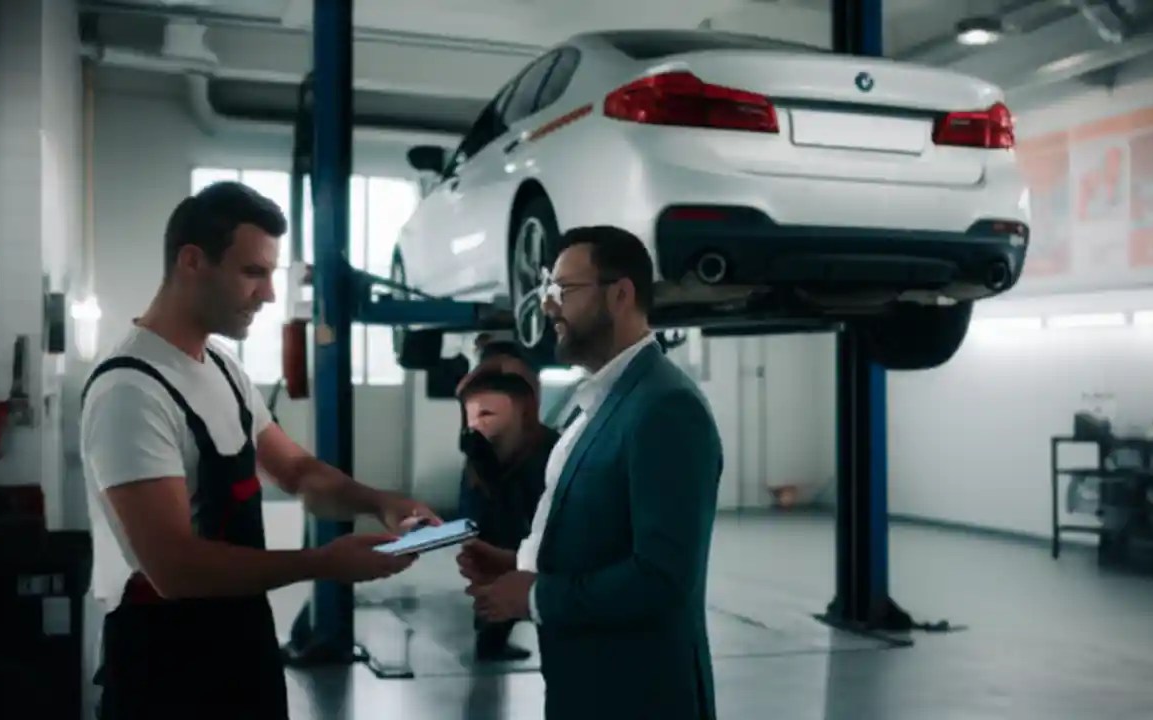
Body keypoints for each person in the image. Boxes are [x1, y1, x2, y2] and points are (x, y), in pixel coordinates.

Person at [80, 181, 440, 720]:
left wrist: (381, 502)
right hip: (166, 666)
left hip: (241, 642)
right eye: (253, 273)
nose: (270, 295)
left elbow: (296, 470)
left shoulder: (223, 365)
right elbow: (173, 569)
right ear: (192, 262)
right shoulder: (131, 390)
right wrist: (322, 563)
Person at [457, 226, 724, 720]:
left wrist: (536, 596)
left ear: (620, 295)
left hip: (639, 698)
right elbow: (600, 536)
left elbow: (663, 578)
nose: (548, 306)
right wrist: (520, 562)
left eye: (564, 290)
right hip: (590, 689)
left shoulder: (666, 408)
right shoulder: (601, 403)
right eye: (547, 291)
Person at [456, 369, 558, 661]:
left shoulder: (540, 447)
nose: (477, 423)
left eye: (487, 414)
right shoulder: (485, 449)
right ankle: (491, 640)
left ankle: (491, 638)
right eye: (474, 415)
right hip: (499, 527)